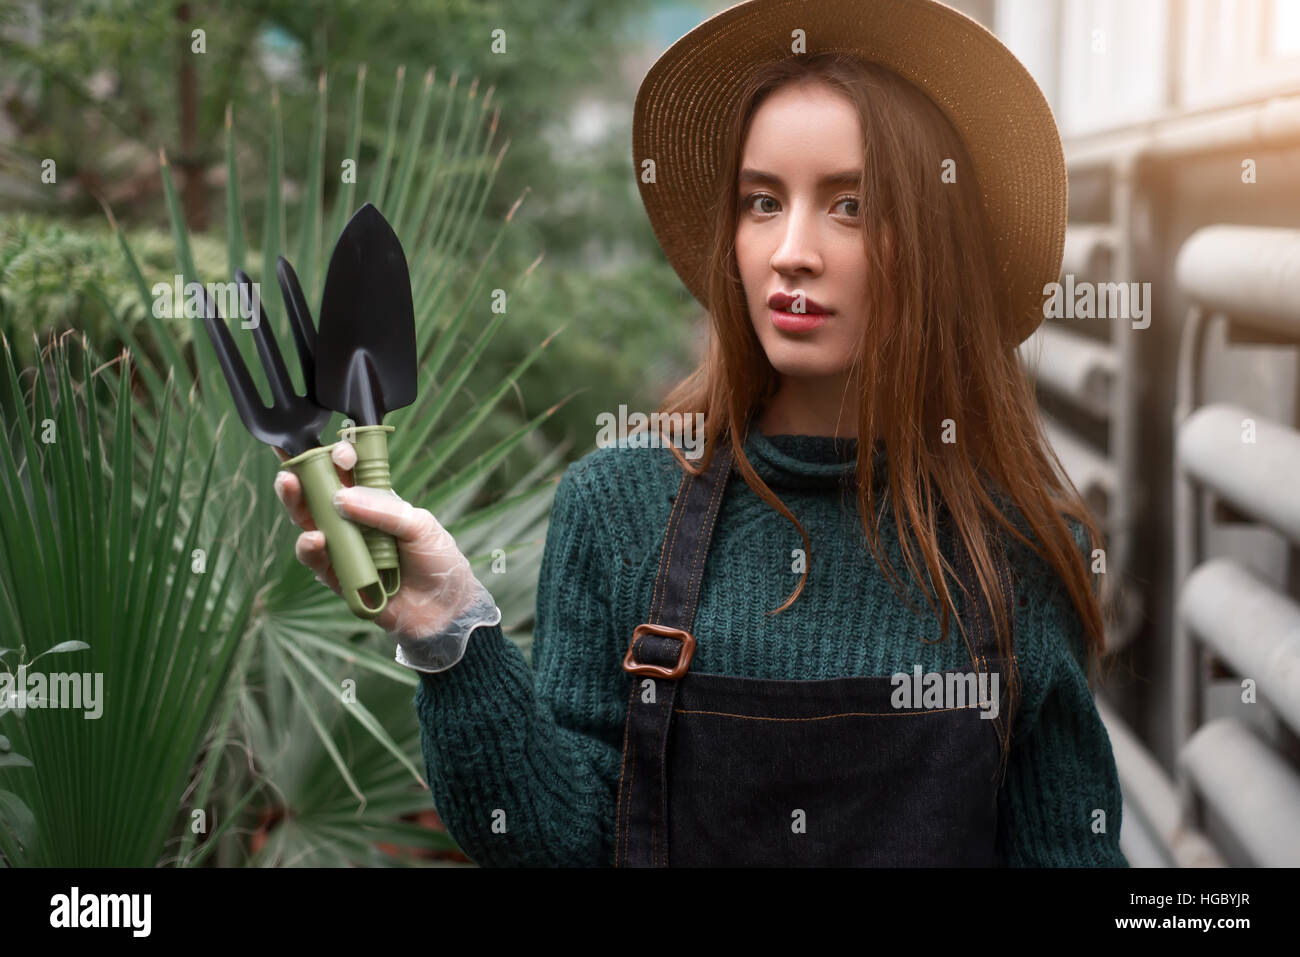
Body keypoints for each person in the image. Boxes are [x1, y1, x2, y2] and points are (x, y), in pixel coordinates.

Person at [274, 0, 1128, 867]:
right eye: (762, 202)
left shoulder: (1012, 549)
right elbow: (563, 845)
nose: (791, 250)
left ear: (936, 242)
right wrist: (446, 625)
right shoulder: (618, 507)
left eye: (851, 205)